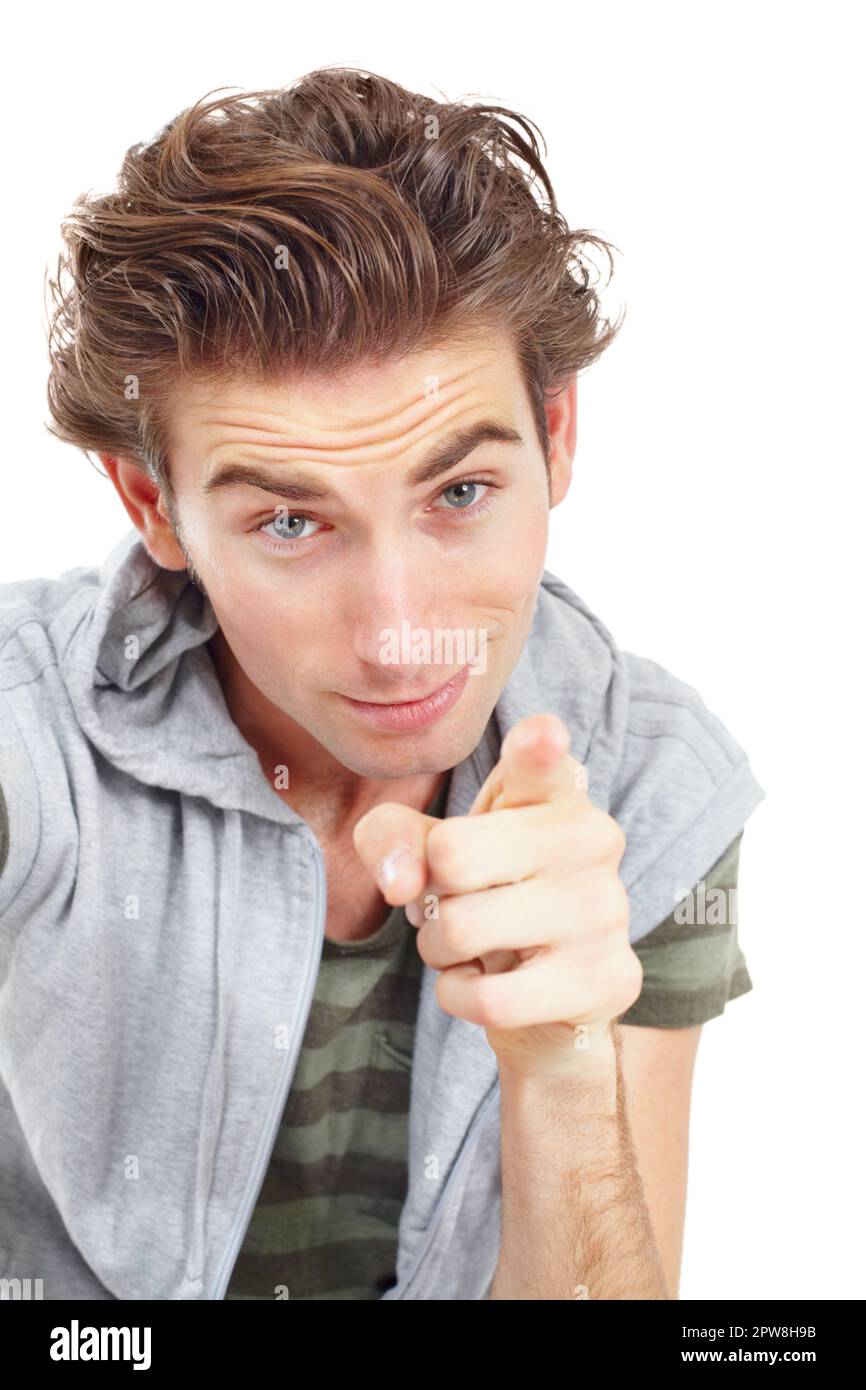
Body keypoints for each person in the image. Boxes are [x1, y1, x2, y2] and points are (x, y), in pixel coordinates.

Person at [0, 67, 765, 1301]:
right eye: (292, 525)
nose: (400, 634)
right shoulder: (26, 726)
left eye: (458, 494)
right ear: (154, 505)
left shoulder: (654, 779)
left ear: (555, 434)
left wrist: (561, 1062)